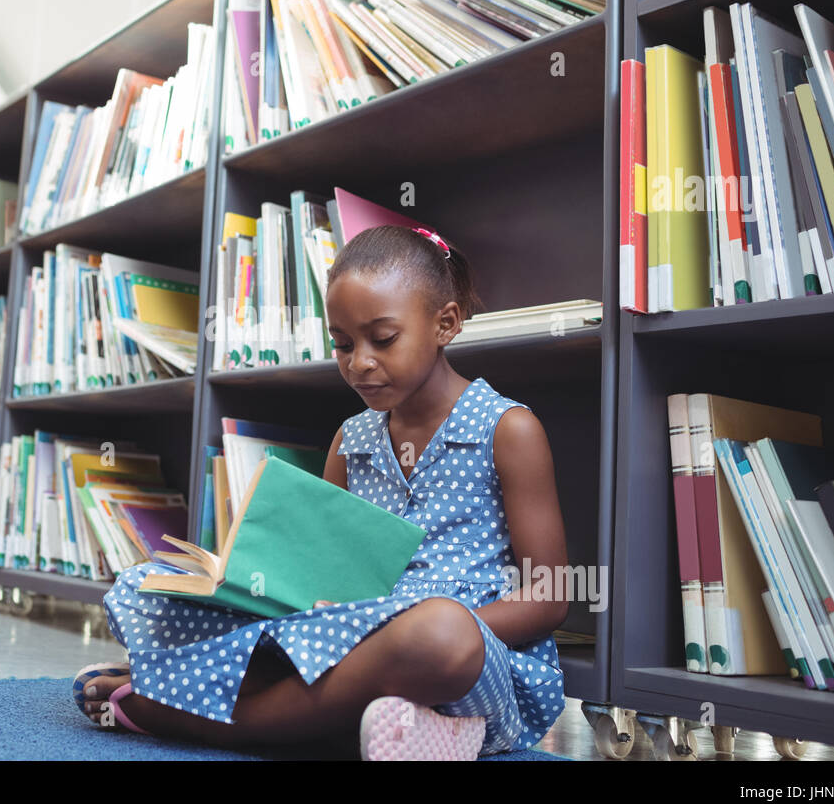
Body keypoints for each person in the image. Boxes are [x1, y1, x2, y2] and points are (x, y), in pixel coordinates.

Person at [73, 224, 570, 759]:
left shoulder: (509, 429)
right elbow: (321, 575)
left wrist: (394, 626)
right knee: (148, 584)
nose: (359, 362)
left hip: (464, 657)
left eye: (383, 339)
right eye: (342, 343)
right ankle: (380, 730)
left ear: (445, 324)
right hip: (343, 637)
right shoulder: (351, 438)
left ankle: (205, 717)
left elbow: (549, 598)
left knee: (439, 633)